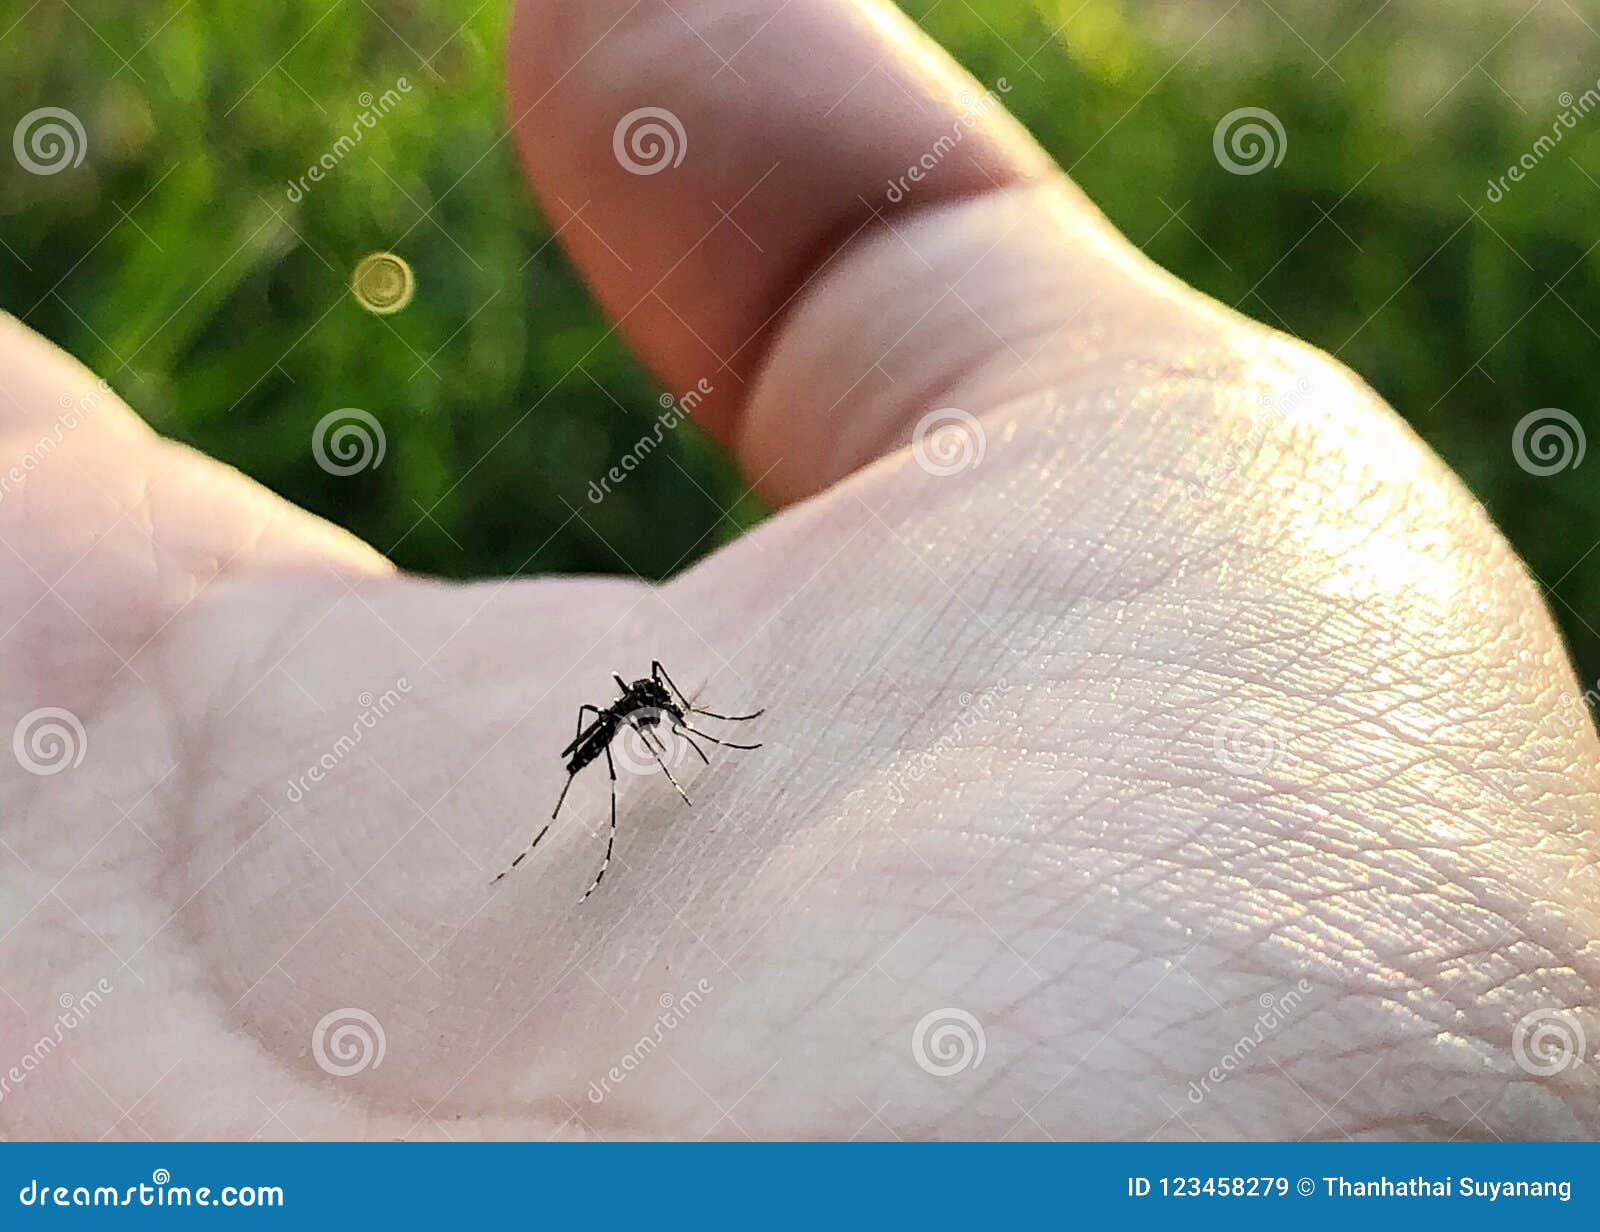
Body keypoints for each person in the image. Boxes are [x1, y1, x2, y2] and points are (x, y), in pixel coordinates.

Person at [1, 0, 1594, 1140]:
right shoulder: (629, 728)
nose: (663, 717)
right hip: (600, 777)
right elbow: (635, 721)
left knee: (644, 740)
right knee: (619, 764)